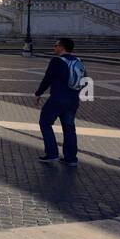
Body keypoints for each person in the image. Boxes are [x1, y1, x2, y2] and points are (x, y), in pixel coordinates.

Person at [35, 37, 85, 168]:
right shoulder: (78, 61)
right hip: (73, 100)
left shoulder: (56, 61)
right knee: (69, 128)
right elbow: (84, 80)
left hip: (57, 99)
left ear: (62, 47)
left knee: (45, 122)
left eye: (56, 45)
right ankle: (71, 158)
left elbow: (48, 79)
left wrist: (38, 93)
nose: (54, 47)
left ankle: (52, 153)